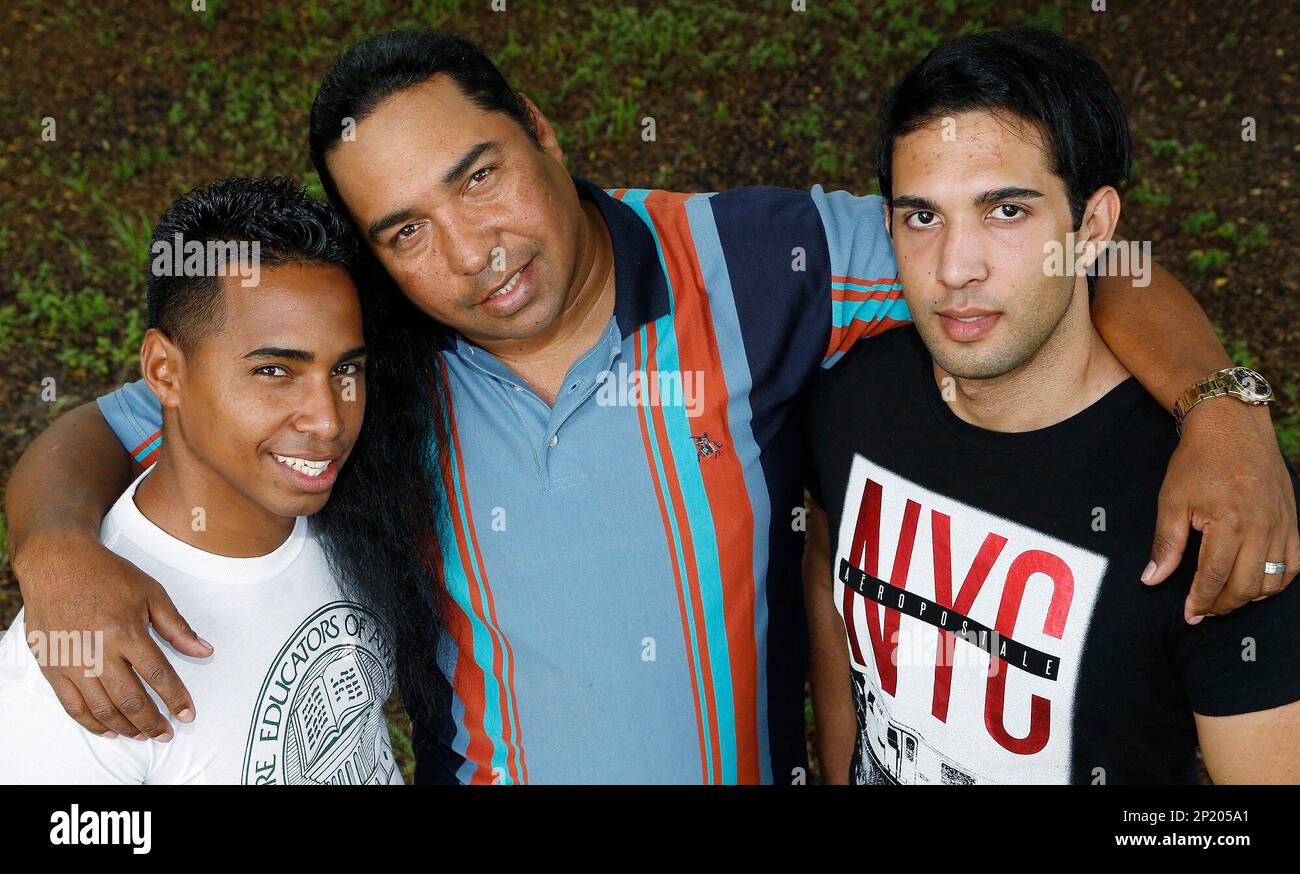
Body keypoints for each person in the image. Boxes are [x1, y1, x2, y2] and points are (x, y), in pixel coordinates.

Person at [6, 29, 1296, 784]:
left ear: (546, 134)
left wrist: (1222, 403)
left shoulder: (757, 264)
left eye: (480, 176)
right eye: (403, 228)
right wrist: (57, 544)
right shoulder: (365, 352)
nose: (470, 252)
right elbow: (113, 422)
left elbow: (1067, 259)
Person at [803, 28, 1300, 784]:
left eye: (1006, 212)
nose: (954, 269)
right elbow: (829, 566)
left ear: (1092, 227)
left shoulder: (1216, 510)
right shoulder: (852, 402)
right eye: (922, 216)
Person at [0, 177, 405, 784]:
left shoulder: (344, 512)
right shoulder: (81, 666)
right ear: (165, 371)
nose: (328, 419)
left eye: (345, 368)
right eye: (274, 370)